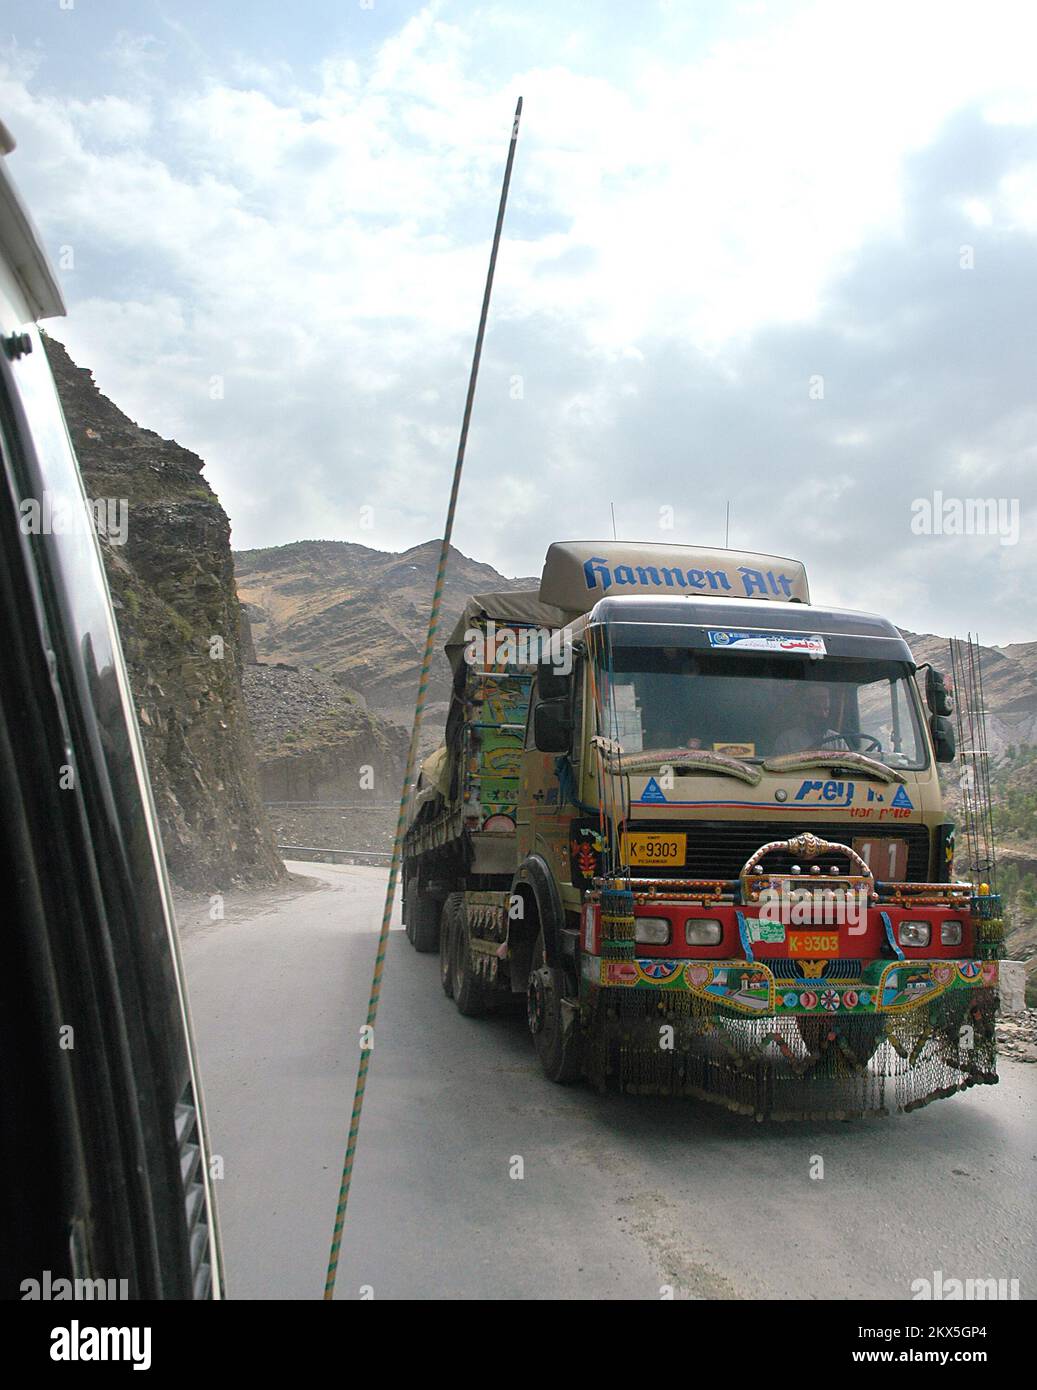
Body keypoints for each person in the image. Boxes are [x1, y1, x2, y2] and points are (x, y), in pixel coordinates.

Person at [772, 682, 843, 755]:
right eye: (817, 708)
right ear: (805, 709)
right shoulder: (786, 741)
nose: (823, 714)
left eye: (826, 709)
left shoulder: (838, 741)